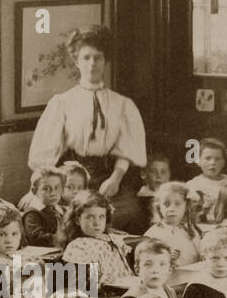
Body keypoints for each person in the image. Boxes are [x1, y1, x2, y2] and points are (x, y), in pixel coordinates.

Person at [27, 24, 148, 232]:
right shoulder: (62, 103)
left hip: (111, 177)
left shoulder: (122, 104)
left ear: (106, 61)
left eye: (98, 58)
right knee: (72, 218)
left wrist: (116, 178)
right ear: (76, 61)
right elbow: (45, 155)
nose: (92, 64)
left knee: (128, 214)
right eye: (86, 58)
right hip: (72, 178)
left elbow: (128, 146)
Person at [59, 191, 132, 286]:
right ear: (78, 220)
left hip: (125, 285)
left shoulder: (111, 239)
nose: (97, 223)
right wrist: (99, 286)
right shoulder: (78, 246)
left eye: (101, 217)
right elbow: (79, 284)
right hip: (101, 293)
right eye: (90, 217)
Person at [144, 181, 203, 266]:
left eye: (177, 204)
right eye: (166, 204)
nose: (171, 209)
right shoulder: (154, 234)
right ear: (159, 207)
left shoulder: (190, 231)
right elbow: (146, 259)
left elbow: (200, 256)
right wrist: (164, 257)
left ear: (186, 207)